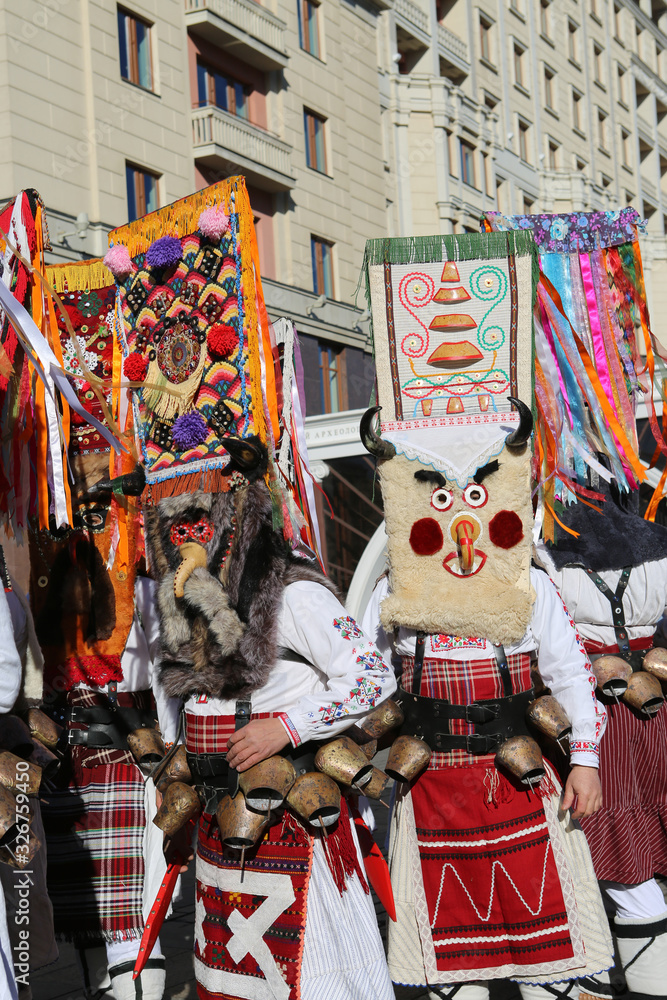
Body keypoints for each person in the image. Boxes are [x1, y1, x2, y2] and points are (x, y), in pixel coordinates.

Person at [357, 230, 613, 999]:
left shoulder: (525, 586)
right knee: (447, 972)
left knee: (553, 963)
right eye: (437, 498)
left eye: (472, 495)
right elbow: (364, 681)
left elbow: (569, 672)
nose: (458, 521)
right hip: (427, 784)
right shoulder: (392, 595)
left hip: (519, 775)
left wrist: (587, 760)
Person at [536, 485, 667, 1000]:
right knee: (637, 827)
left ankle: (648, 980)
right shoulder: (657, 542)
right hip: (653, 707)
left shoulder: (545, 552)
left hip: (593, 712)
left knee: (610, 841)